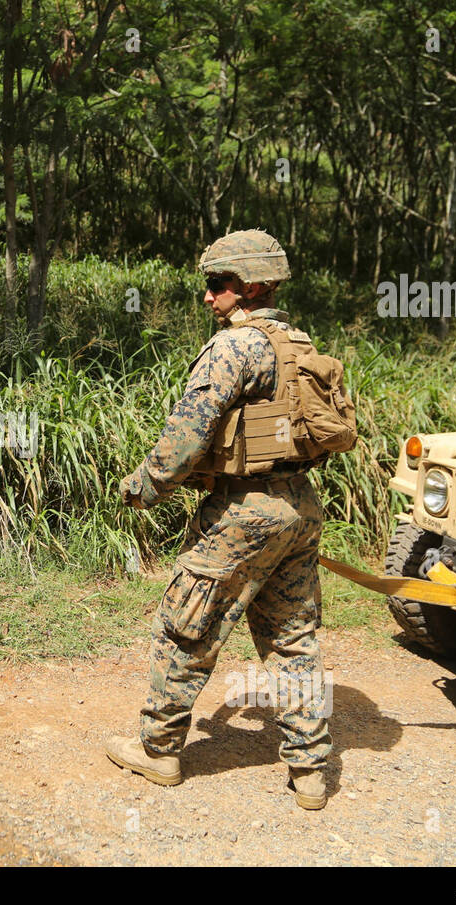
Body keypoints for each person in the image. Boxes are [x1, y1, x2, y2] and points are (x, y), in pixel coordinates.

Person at [106, 228, 334, 810]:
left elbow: (187, 435)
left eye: (218, 285)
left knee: (187, 626)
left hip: (244, 513)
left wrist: (144, 486)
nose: (208, 297)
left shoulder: (236, 347)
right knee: (292, 638)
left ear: (251, 286)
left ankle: (158, 750)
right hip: (298, 508)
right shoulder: (297, 341)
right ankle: (309, 770)